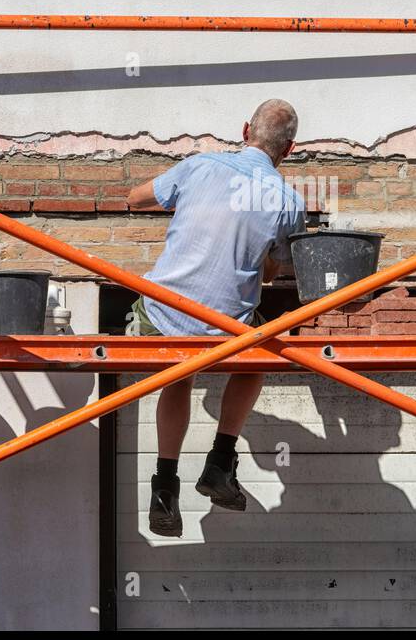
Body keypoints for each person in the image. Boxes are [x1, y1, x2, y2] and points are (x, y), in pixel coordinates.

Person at [125, 99, 306, 537]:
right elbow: (274, 267)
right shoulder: (289, 201)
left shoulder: (200, 166)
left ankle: (164, 490)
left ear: (246, 130)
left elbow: (135, 199)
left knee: (179, 375)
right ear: (290, 148)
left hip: (162, 313)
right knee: (261, 353)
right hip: (227, 328)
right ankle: (220, 462)